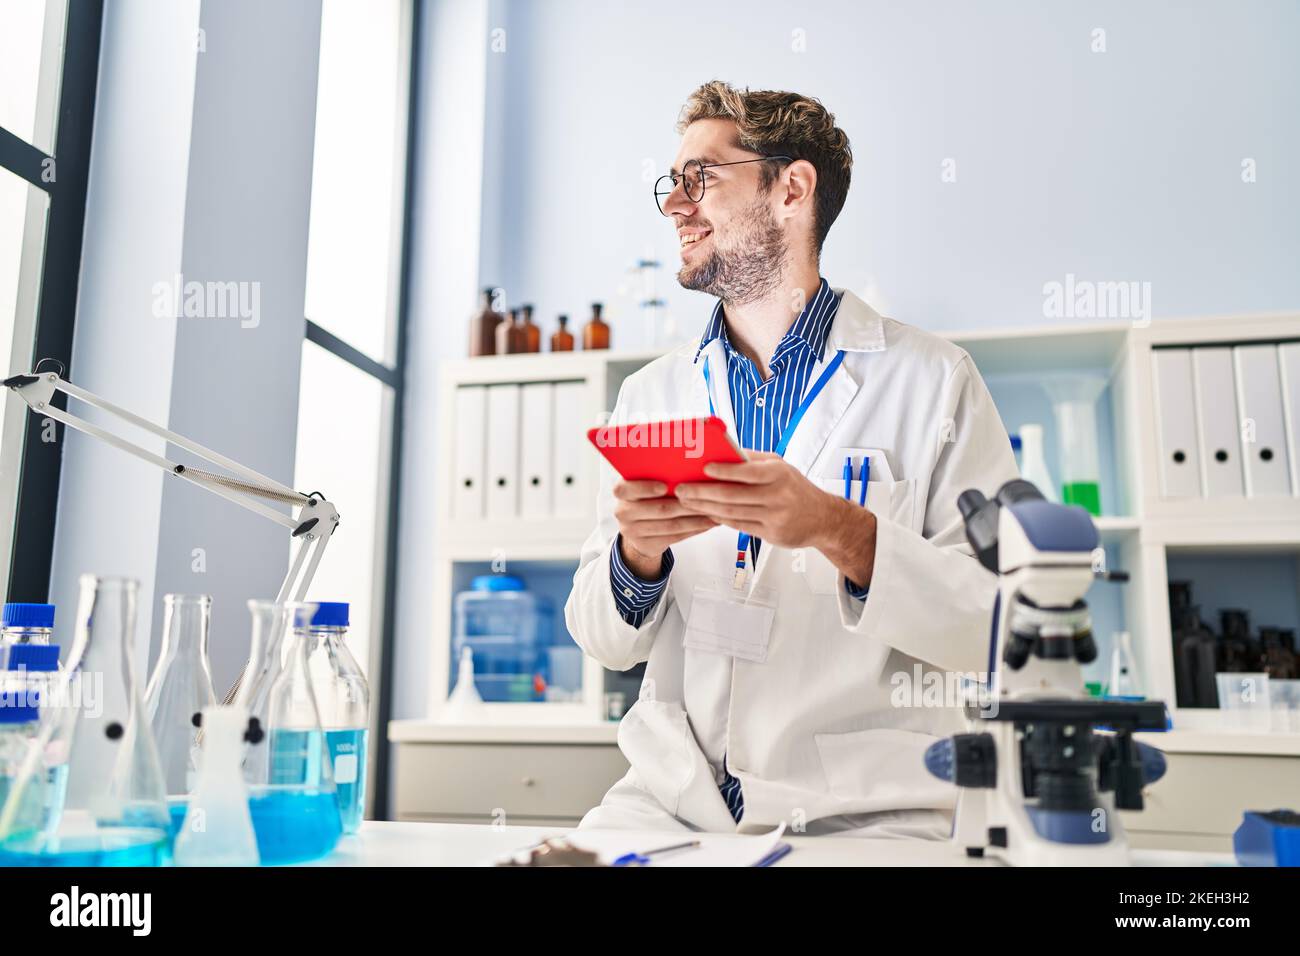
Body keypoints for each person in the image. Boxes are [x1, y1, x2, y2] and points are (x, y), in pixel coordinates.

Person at [564, 80, 1018, 837]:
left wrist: (841, 529)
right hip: (671, 803)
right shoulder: (652, 393)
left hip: (865, 811)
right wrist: (638, 554)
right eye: (670, 185)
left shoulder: (933, 379)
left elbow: (1000, 624)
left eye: (699, 177)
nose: (676, 204)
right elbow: (604, 640)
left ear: (791, 189)